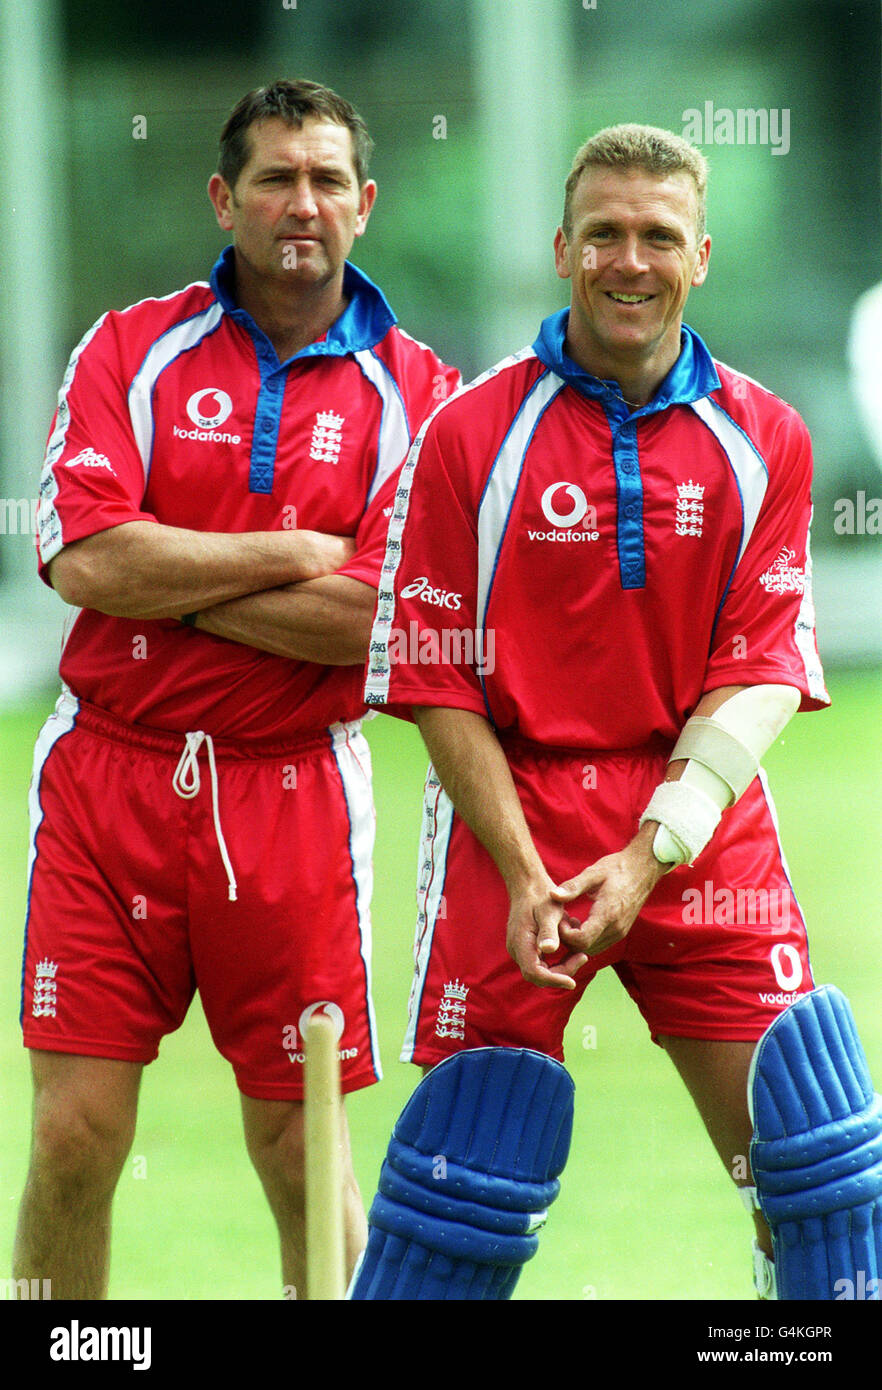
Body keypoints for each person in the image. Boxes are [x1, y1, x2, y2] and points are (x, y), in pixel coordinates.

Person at [363, 123, 832, 1297]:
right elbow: (435, 680)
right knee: (461, 1193)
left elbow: (762, 667)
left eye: (659, 236)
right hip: (511, 813)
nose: (633, 260)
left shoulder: (765, 435)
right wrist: (527, 871)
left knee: (818, 1182)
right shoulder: (467, 433)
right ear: (562, 248)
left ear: (703, 255)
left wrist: (652, 849)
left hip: (695, 819)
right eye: (607, 234)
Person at [15, 78, 459, 1300]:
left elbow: (380, 619)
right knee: (71, 1139)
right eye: (274, 177)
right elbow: (86, 558)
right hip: (108, 778)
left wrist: (169, 578)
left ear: (365, 204)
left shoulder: (425, 395)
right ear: (225, 198)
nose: (300, 202)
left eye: (325, 179)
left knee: (301, 1152)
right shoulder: (127, 346)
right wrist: (294, 552)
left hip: (294, 799)